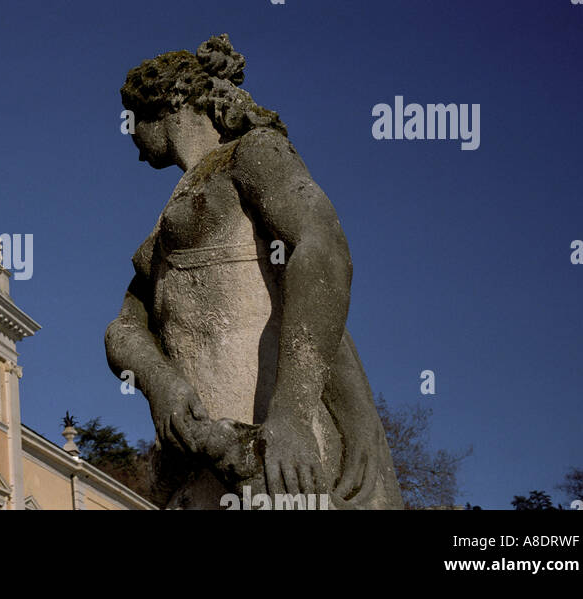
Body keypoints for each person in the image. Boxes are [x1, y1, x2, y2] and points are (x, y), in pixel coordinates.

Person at [104, 35, 402, 509]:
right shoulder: (159, 234)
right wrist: (162, 383)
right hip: (205, 462)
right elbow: (123, 329)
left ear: (169, 102)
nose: (134, 144)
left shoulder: (251, 154)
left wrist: (292, 413)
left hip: (276, 448)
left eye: (133, 124)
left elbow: (323, 252)